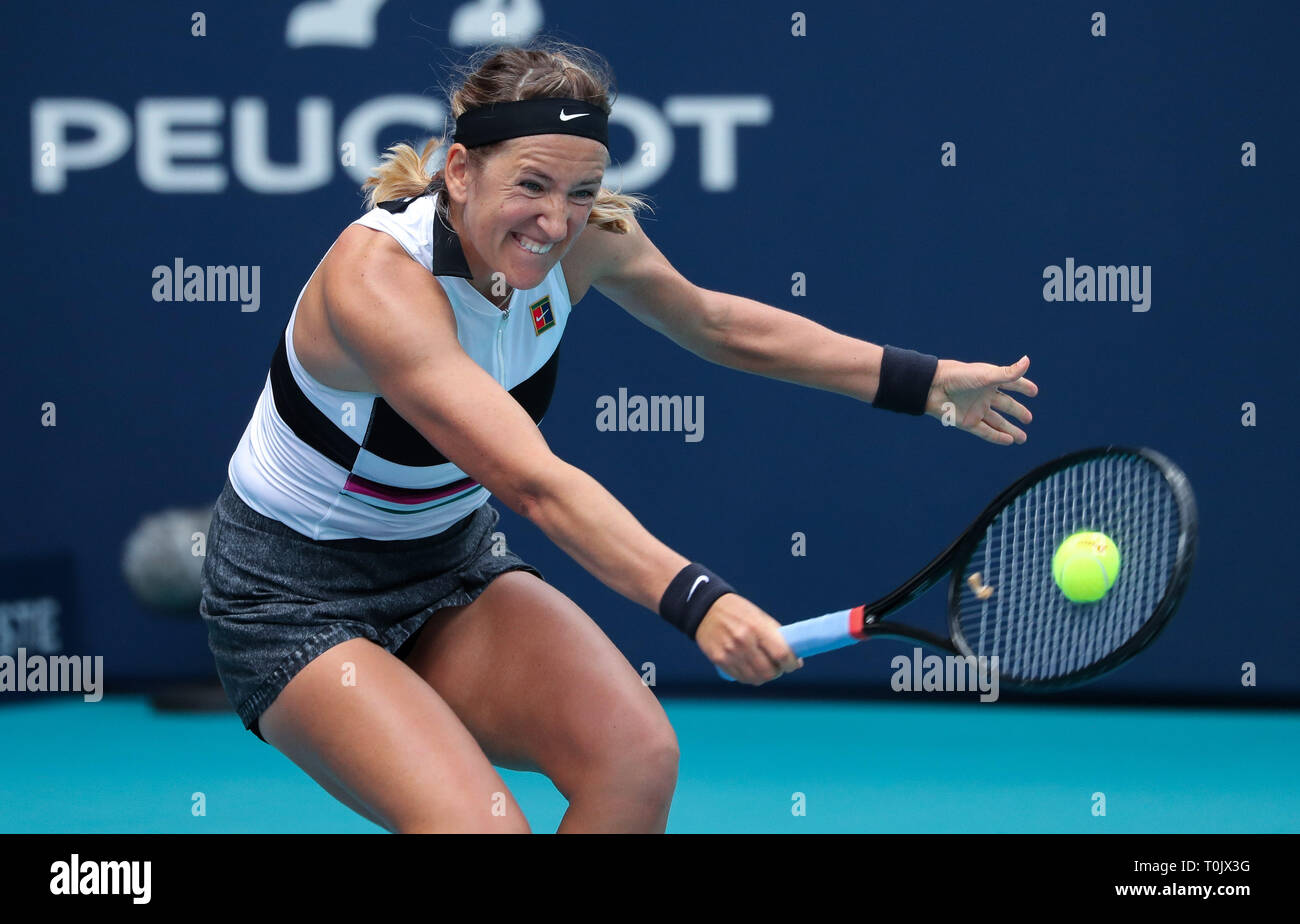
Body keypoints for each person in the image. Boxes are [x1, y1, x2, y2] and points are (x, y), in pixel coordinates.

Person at [199, 40, 1038, 835]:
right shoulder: (378, 282)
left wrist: (922, 384)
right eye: (532, 185)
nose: (557, 221)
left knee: (634, 757)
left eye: (581, 189)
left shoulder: (591, 241)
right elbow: (533, 485)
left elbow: (718, 325)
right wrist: (698, 600)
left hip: (447, 567)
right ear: (459, 170)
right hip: (292, 597)